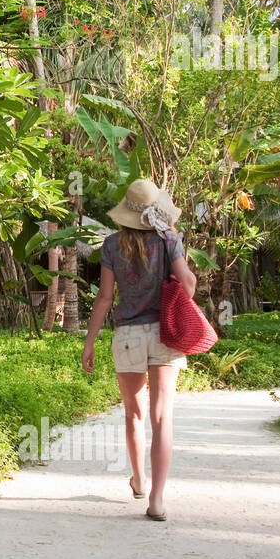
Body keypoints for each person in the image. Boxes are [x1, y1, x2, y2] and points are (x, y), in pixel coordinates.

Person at [81, 179, 197, 522]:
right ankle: (157, 500)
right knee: (163, 417)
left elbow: (104, 298)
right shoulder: (169, 240)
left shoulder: (112, 245)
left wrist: (90, 342)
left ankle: (139, 480)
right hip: (164, 332)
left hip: (128, 335)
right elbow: (188, 286)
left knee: (134, 414)